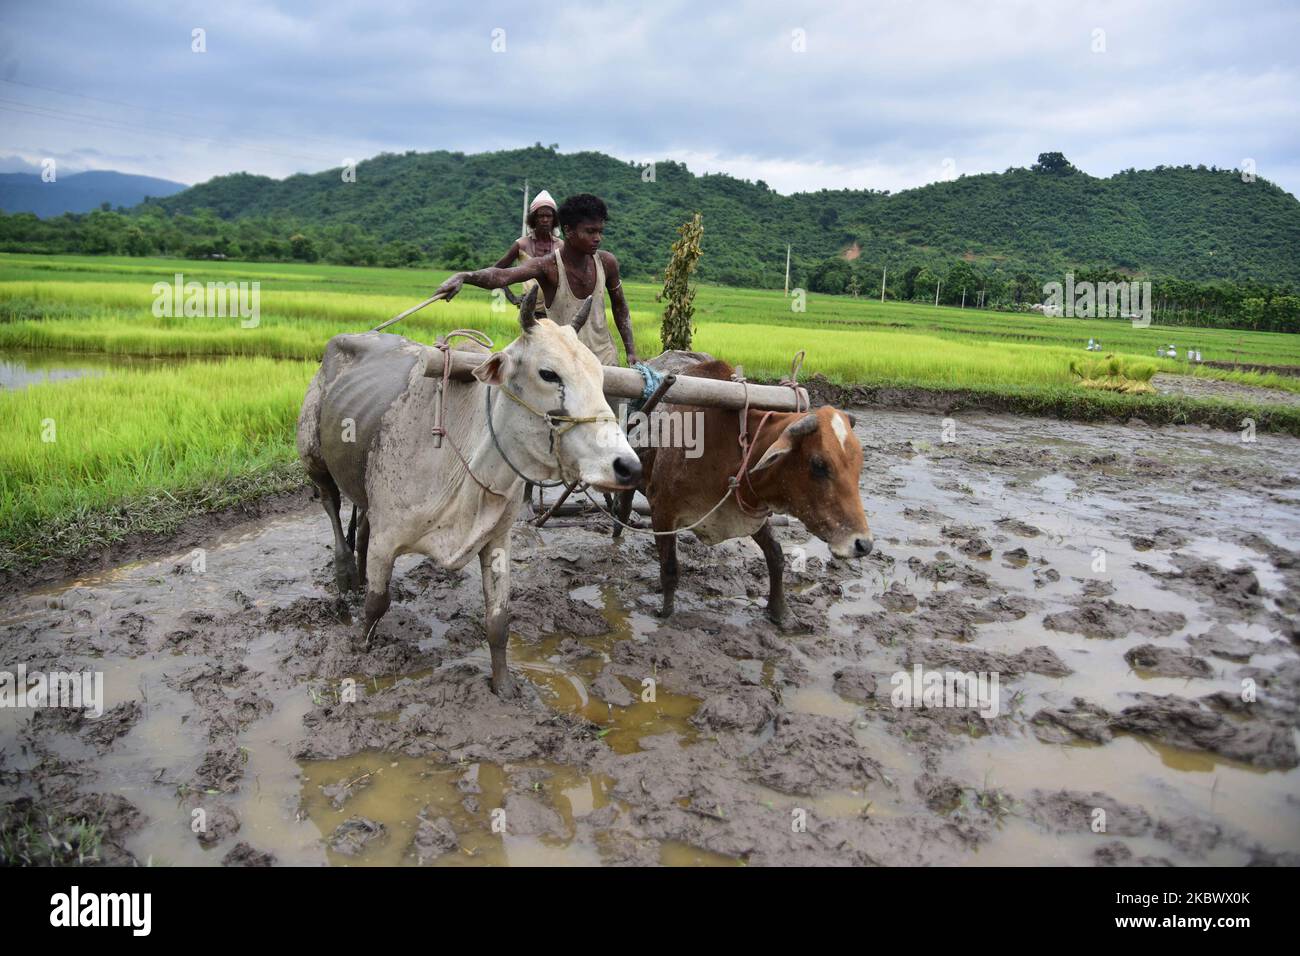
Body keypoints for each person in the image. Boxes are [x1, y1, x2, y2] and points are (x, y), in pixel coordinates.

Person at [434, 193, 638, 367]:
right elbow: (501, 274)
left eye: (600, 231)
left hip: (604, 359)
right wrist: (464, 276)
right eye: (590, 231)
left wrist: (631, 352)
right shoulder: (546, 266)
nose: (598, 238)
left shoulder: (607, 262)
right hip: (564, 363)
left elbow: (620, 307)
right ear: (569, 231)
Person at [494, 189, 562, 309]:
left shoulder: (561, 246)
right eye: (541, 216)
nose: (545, 220)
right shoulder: (521, 245)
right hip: (529, 313)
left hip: (556, 312)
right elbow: (496, 271)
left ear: (554, 219)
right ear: (534, 219)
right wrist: (512, 298)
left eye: (549, 216)